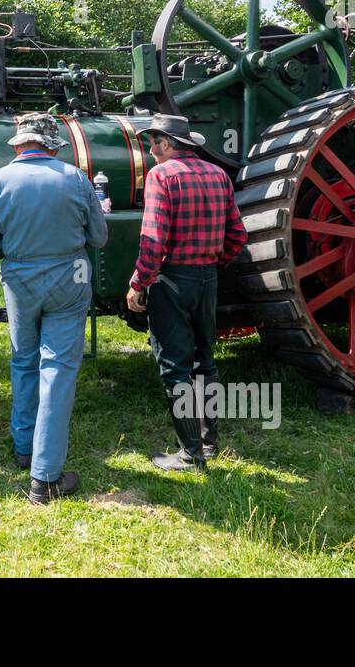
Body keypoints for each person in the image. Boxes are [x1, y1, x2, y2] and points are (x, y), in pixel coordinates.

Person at [0, 112, 108, 504]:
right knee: (58, 370)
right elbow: (99, 238)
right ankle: (45, 477)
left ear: (19, 144)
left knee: (23, 360)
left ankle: (23, 448)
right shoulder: (74, 178)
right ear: (52, 146)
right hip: (69, 280)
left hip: (20, 280)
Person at [126, 114, 247, 472]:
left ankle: (190, 454)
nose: (151, 150)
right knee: (204, 362)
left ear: (167, 143)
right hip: (207, 278)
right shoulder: (218, 174)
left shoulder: (161, 176)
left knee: (175, 369)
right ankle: (209, 445)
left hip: (172, 281)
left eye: (154, 143)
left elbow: (152, 240)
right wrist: (213, 264)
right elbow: (237, 235)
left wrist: (138, 283)